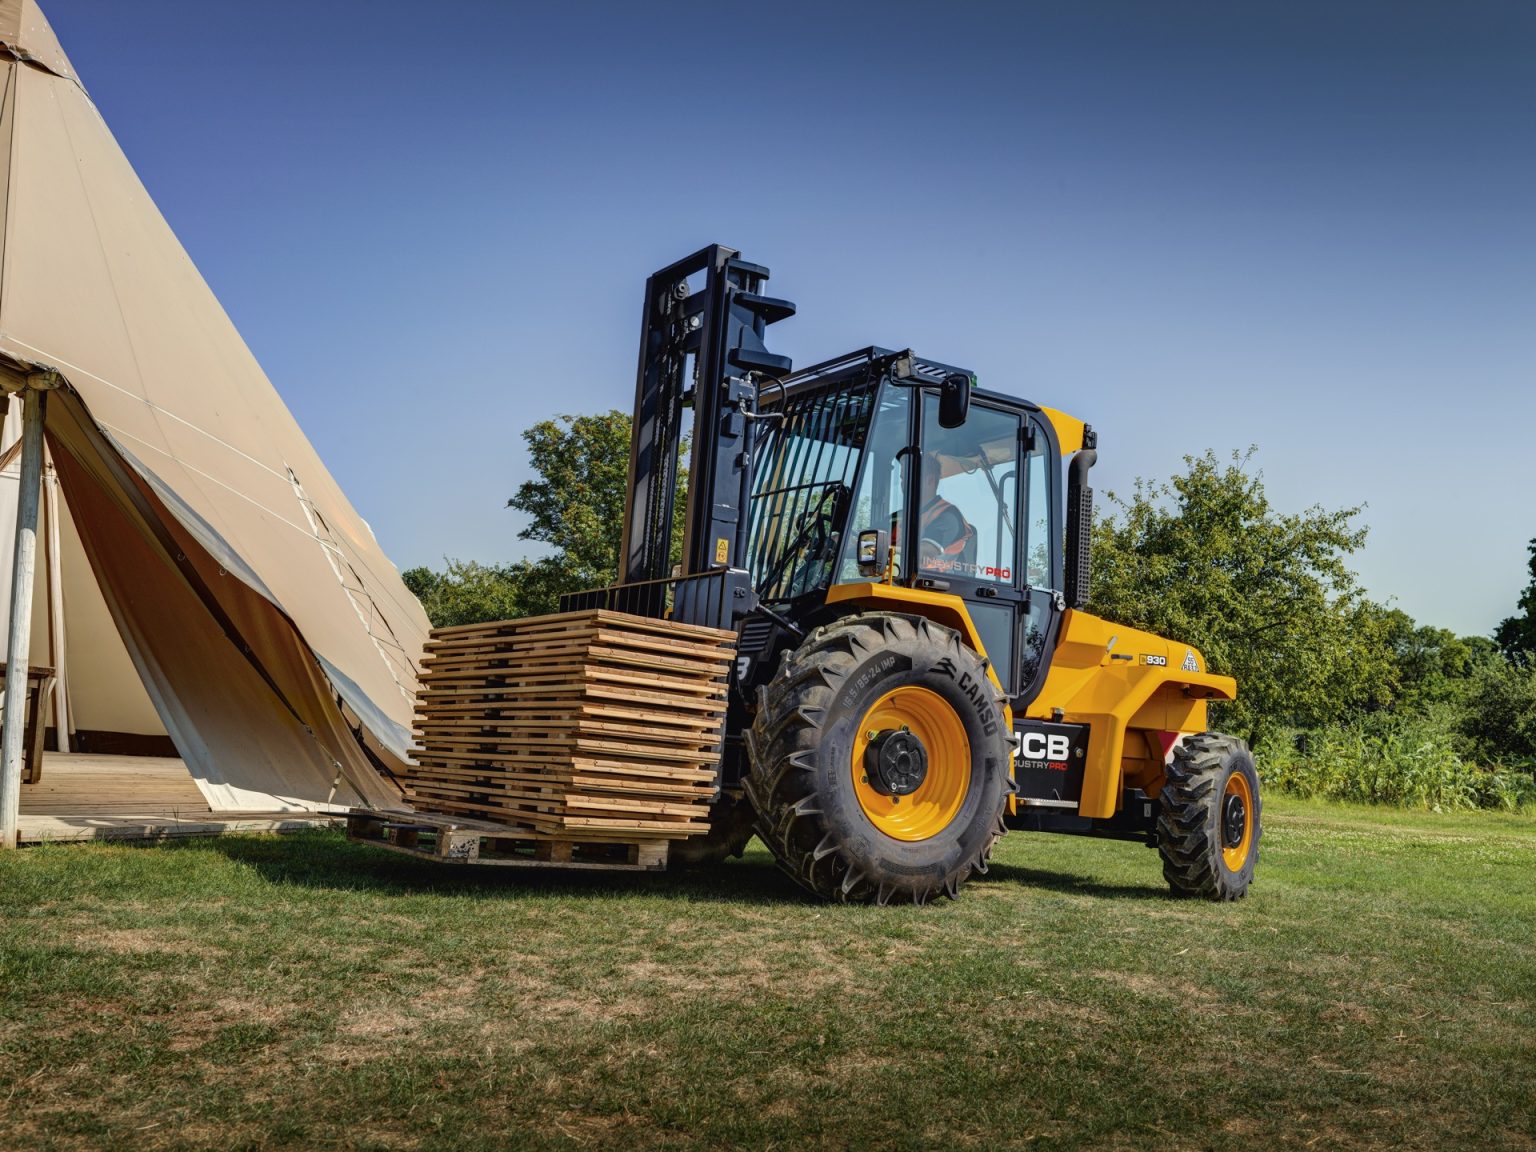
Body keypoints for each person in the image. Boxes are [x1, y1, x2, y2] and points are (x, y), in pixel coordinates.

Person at [918, 452, 975, 569]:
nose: (903, 484)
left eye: (908, 478)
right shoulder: (899, 517)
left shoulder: (949, 516)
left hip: (927, 584)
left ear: (930, 480)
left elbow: (923, 553)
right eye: (902, 478)